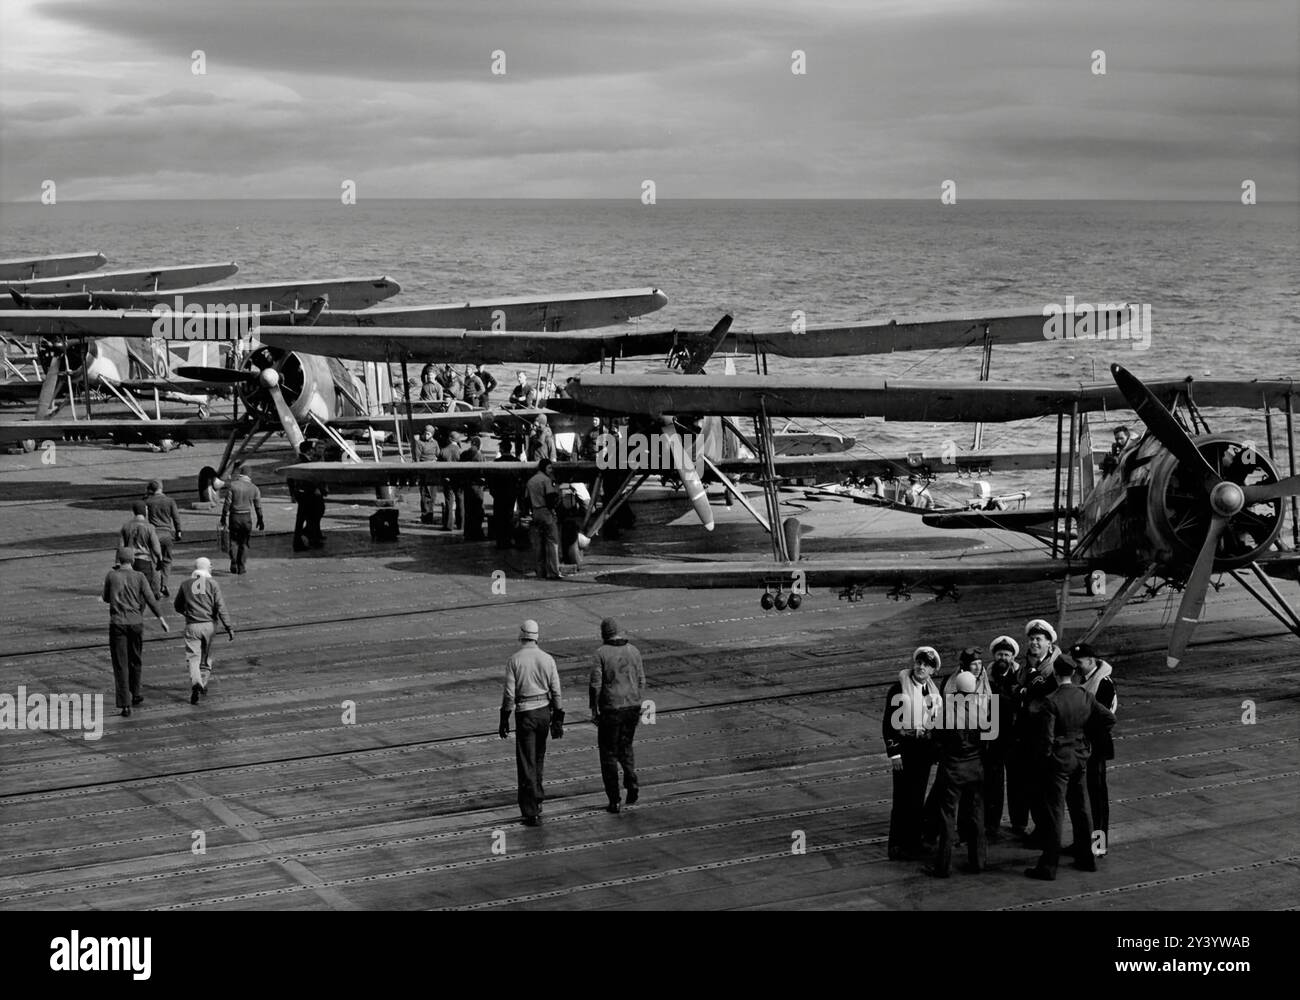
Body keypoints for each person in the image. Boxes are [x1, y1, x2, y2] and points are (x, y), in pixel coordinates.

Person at [1025, 656, 1115, 880]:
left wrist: (1046, 759)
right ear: (1073, 673)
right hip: (1081, 757)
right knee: (1082, 809)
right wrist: (1085, 739)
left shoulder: (1051, 700)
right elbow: (1109, 718)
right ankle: (1088, 858)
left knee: (1055, 813)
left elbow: (1046, 738)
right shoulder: (1085, 694)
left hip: (1059, 760)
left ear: (1055, 674)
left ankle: (1048, 865)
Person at [499, 620, 562, 826]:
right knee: (539, 757)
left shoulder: (514, 660)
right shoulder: (548, 659)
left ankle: (530, 810)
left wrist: (504, 718)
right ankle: (538, 797)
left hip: (525, 713)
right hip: (544, 712)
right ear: (537, 636)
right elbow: (556, 691)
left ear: (521, 635)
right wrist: (558, 716)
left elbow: (509, 694)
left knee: (526, 761)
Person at [925, 671, 987, 877]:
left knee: (947, 817)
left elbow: (935, 741)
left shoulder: (947, 712)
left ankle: (942, 865)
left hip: (952, 769)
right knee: (976, 815)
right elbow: (988, 743)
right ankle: (977, 861)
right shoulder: (984, 710)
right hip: (975, 768)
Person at [883, 646, 941, 861]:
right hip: (905, 748)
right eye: (919, 662)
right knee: (901, 799)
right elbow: (889, 725)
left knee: (917, 798)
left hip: (923, 751)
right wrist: (894, 753)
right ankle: (897, 846)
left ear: (933, 670)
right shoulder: (899, 690)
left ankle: (912, 843)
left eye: (927, 665)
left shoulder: (932, 692)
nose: (921, 667)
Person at [101, 545, 169, 717]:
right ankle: (136, 693)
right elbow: (150, 598)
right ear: (132, 560)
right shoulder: (139, 576)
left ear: (118, 559)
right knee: (135, 659)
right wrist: (161, 618)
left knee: (120, 664)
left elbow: (106, 598)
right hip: (136, 622)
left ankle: (125, 704)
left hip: (117, 624)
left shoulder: (112, 576)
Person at [589, 618, 646, 813]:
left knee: (608, 755)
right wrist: (636, 701)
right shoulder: (634, 651)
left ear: (603, 634)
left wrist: (593, 709)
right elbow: (641, 680)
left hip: (611, 709)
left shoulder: (601, 653)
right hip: (632, 706)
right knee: (626, 747)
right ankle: (632, 782)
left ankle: (614, 799)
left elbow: (596, 684)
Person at [1015, 618, 1062, 846]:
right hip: (1028, 733)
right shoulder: (1029, 662)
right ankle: (1040, 828)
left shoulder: (1053, 667)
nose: (1034, 643)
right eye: (1031, 639)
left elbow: (1038, 694)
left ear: (1049, 644)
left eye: (1039, 639)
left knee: (1044, 788)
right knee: (1033, 786)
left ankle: (1046, 833)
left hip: (1043, 735)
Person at [1072, 641, 1117, 855]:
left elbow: (1104, 717)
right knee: (1085, 798)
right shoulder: (1084, 679)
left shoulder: (1104, 683)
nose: (1076, 666)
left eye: (1079, 662)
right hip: (1084, 746)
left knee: (1097, 800)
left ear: (1091, 661)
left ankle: (1099, 846)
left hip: (1096, 748)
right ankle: (1082, 841)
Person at [173, 556, 234, 705]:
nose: (212, 567)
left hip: (192, 625)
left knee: (193, 657)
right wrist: (229, 627)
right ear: (206, 567)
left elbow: (177, 605)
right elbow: (221, 607)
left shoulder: (185, 584)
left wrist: (187, 613)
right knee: (206, 656)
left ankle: (196, 682)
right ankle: (204, 683)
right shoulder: (212, 584)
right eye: (210, 565)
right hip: (209, 626)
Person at [984, 635, 1020, 841]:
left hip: (1014, 737)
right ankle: (992, 824)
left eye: (1006, 654)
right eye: (999, 654)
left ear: (1012, 656)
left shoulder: (1021, 675)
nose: (1003, 658)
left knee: (1017, 782)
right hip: (994, 736)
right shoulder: (985, 676)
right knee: (993, 783)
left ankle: (1019, 823)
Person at [220, 462, 264, 574]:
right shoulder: (254, 488)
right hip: (246, 517)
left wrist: (223, 517)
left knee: (234, 541)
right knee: (244, 542)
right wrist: (260, 519)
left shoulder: (233, 485)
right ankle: (242, 566)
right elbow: (258, 506)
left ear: (240, 474)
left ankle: (234, 563)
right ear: (249, 475)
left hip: (234, 517)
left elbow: (227, 503)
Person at [143, 480, 182, 597]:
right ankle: (164, 585)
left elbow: (143, 518)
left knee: (155, 562)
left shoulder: (148, 501)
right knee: (167, 561)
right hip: (167, 534)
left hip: (154, 535)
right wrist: (178, 532)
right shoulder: (170, 501)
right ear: (161, 488)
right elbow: (176, 517)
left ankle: (155, 589)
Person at [525, 458, 562, 579]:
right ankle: (553, 571)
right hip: (546, 512)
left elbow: (526, 499)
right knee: (552, 541)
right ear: (544, 468)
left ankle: (540, 571)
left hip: (535, 512)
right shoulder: (547, 480)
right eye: (549, 468)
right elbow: (551, 499)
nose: (551, 470)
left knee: (539, 543)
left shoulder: (530, 481)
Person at [120, 500, 163, 598]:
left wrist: (118, 562)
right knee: (145, 589)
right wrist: (159, 558)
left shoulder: (126, 526)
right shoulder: (149, 527)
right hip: (144, 561)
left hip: (129, 561)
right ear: (144, 510)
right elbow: (156, 546)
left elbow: (121, 546)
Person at [489, 438, 520, 548]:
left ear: (501, 449)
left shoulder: (496, 463)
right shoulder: (516, 462)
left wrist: (493, 492)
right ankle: (508, 539)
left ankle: (500, 540)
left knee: (499, 517)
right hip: (511, 494)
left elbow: (491, 479)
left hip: (499, 494)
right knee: (509, 516)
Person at [460, 435, 487, 540]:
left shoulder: (464, 454)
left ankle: (468, 532)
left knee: (468, 509)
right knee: (478, 509)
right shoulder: (480, 456)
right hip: (477, 486)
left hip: (467, 486)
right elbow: (483, 471)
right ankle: (477, 532)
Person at [290, 477, 327, 550]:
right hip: (308, 493)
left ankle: (299, 542)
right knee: (312, 519)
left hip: (302, 492)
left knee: (302, 520)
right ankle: (313, 540)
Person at [414, 425, 441, 524]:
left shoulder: (435, 443)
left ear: (432, 434)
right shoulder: (419, 443)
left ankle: (431, 514)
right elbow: (417, 458)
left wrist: (435, 460)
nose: (426, 435)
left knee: (433, 494)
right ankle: (425, 515)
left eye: (428, 434)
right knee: (425, 494)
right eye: (425, 433)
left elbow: (438, 455)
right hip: (423, 470)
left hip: (433, 471)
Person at [438, 431, 463, 531]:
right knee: (460, 501)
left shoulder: (443, 450)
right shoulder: (461, 452)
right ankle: (461, 524)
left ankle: (449, 525)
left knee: (449, 501)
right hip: (459, 480)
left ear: (450, 439)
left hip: (447, 480)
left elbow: (438, 465)